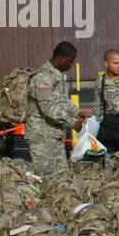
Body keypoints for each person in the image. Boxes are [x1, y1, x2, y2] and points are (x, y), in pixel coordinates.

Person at [26, 42, 86, 176]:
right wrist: (72, 123)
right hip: (42, 137)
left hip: (54, 135)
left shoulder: (56, 76)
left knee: (61, 176)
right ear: (60, 58)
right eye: (70, 61)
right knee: (46, 177)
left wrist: (75, 112)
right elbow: (48, 107)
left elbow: (62, 100)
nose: (71, 65)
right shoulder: (43, 78)